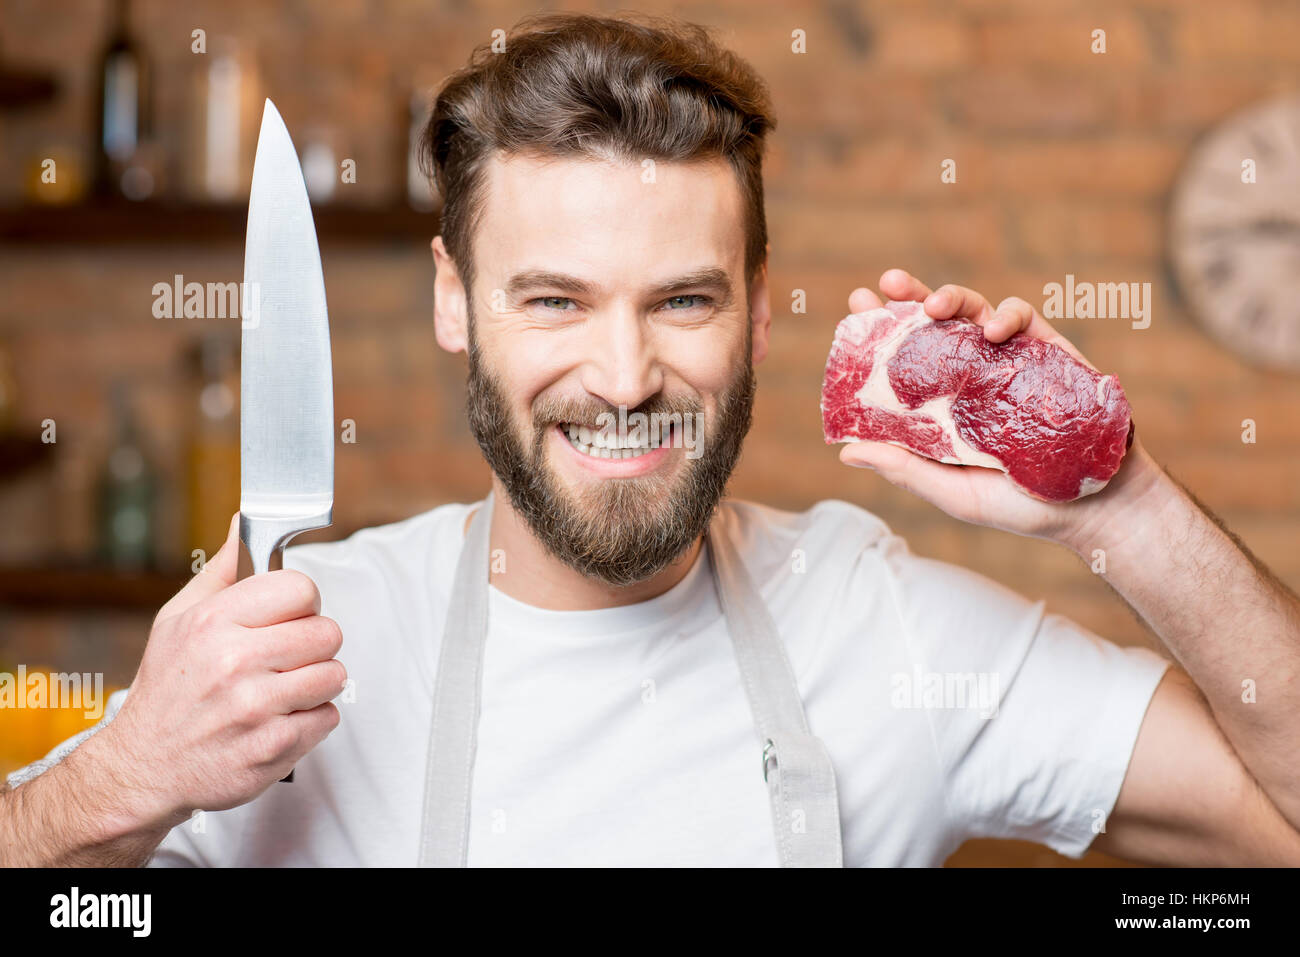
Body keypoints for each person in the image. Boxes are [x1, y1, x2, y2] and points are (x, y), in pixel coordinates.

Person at [3, 12, 1299, 867]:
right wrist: (125, 771)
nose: (624, 380)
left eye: (683, 299)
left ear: (760, 309)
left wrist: (1117, 505)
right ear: (456, 300)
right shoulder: (296, 644)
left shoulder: (885, 630)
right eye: (555, 299)